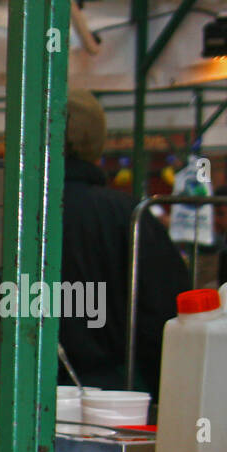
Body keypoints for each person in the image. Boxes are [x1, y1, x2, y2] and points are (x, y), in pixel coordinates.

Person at [60, 89, 189, 397]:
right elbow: (165, 318)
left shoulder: (8, 210)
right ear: (98, 142)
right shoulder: (131, 216)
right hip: (118, 398)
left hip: (16, 397)